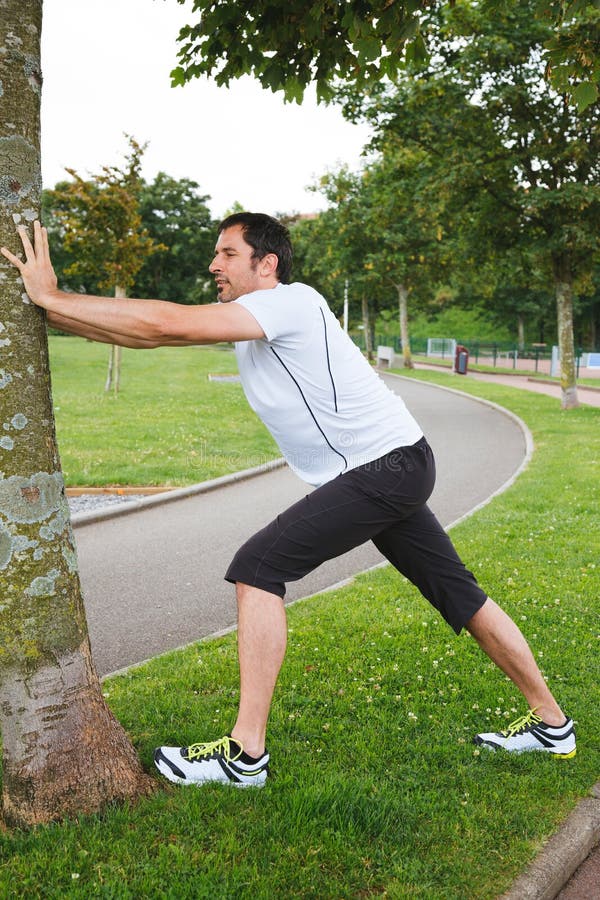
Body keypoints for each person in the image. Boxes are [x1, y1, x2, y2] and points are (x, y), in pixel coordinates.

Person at [2, 215, 575, 788]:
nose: (213, 266)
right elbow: (152, 334)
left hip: (383, 469)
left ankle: (245, 755)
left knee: (258, 568)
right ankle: (553, 724)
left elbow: (165, 319)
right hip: (394, 465)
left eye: (227, 254)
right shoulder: (256, 321)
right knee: (457, 590)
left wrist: (54, 294)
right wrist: (49, 311)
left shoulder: (290, 303)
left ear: (266, 263)